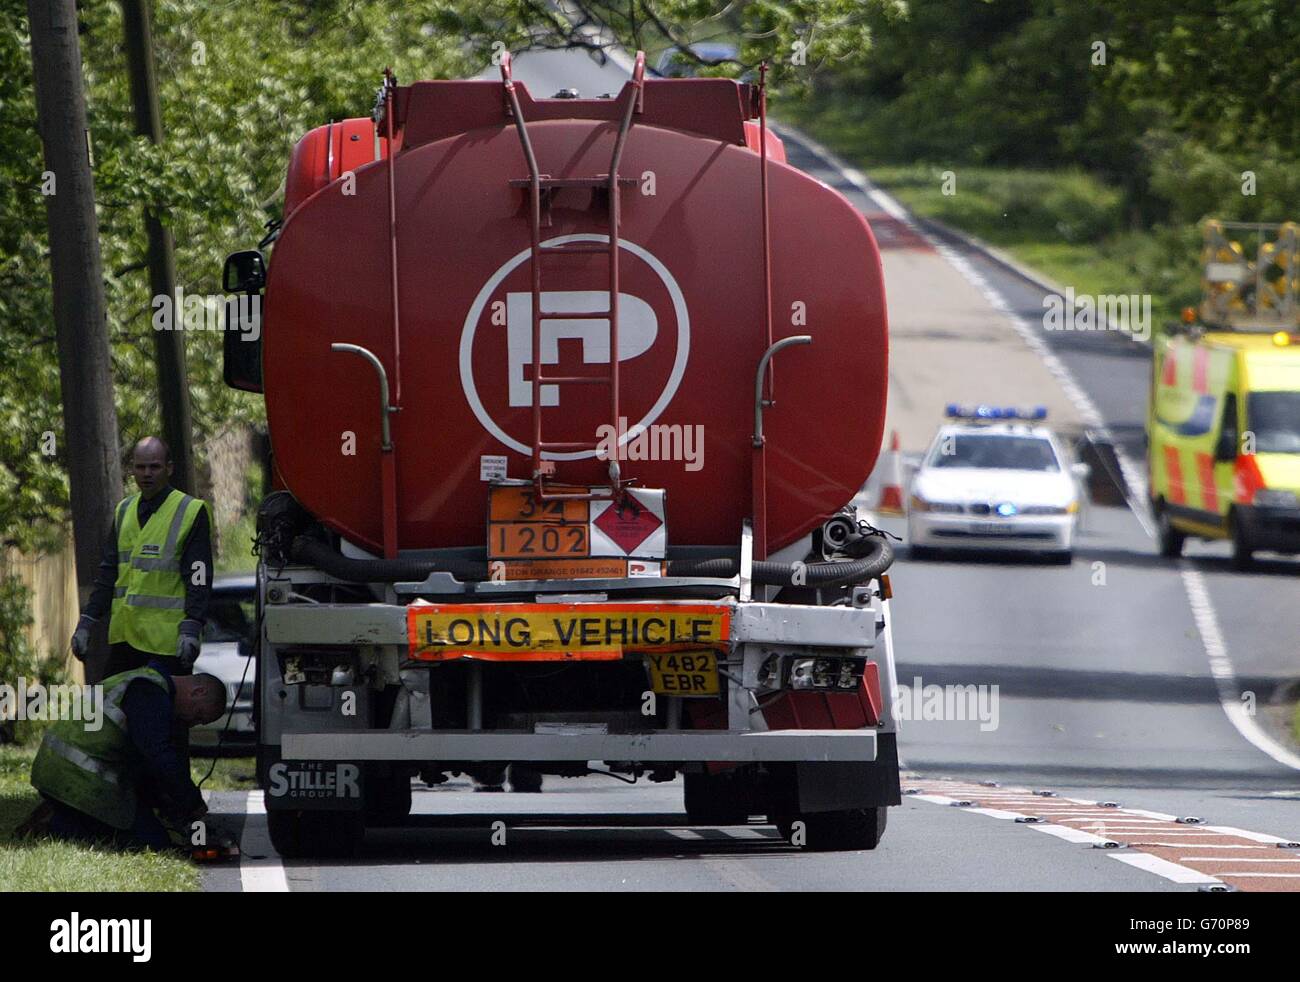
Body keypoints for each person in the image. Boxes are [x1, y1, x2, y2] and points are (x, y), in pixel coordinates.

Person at [24, 663, 226, 850]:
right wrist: (192, 803)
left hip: (58, 769)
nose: (192, 723)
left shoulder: (142, 680)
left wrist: (168, 805)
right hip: (78, 777)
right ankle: (55, 825)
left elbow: (144, 766)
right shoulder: (149, 693)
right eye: (199, 715)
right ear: (198, 692)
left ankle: (61, 814)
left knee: (145, 830)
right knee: (150, 843)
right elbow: (159, 757)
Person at [71, 436, 214, 680]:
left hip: (167, 646)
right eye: (140, 467)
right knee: (112, 709)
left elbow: (199, 574)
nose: (146, 473)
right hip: (125, 640)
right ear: (132, 470)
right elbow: (109, 573)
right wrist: (87, 620)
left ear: (169, 468)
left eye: (154, 467)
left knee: (160, 714)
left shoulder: (189, 511)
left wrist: (193, 623)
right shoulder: (124, 510)